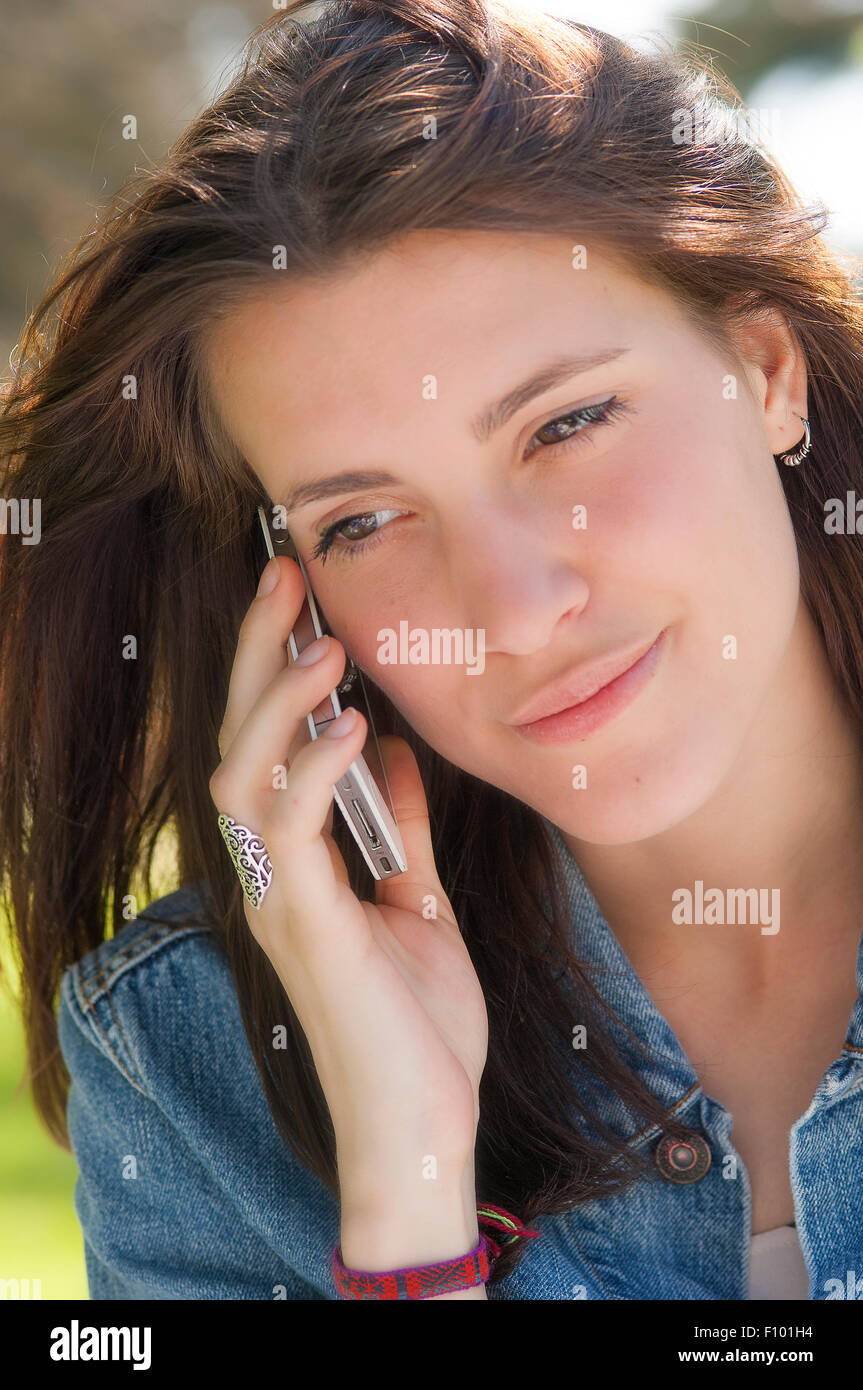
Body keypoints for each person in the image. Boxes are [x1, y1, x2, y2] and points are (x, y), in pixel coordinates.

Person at [2, 0, 863, 1301]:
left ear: (764, 368)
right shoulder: (197, 1073)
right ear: (291, 600)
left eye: (566, 423)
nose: (511, 608)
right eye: (364, 517)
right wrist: (406, 1191)